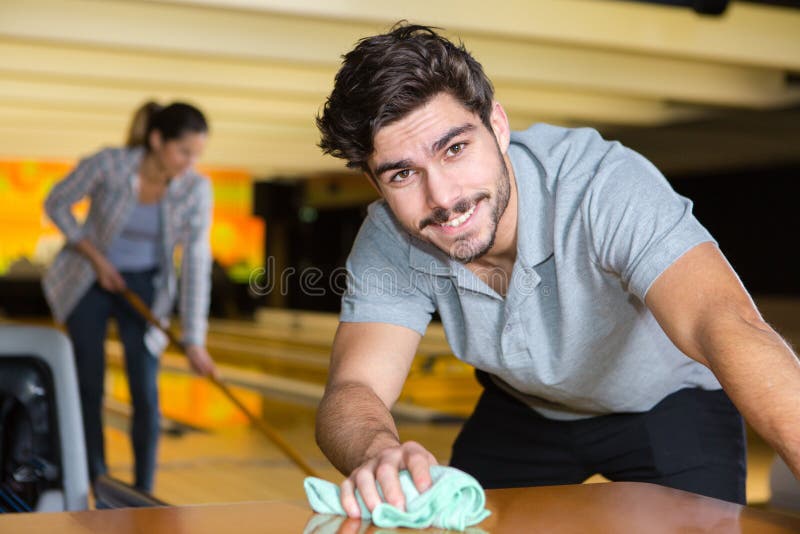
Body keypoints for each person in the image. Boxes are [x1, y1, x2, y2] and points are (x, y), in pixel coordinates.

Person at [314, 23, 800, 515]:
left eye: (455, 149)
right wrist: (377, 453)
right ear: (377, 185)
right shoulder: (389, 239)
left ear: (497, 126)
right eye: (403, 174)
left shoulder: (601, 185)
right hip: (526, 409)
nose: (442, 197)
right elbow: (356, 387)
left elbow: (725, 324)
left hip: (669, 403)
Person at [42, 101, 218, 493]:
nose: (190, 163)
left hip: (145, 285)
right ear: (157, 140)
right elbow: (55, 202)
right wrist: (94, 256)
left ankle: (143, 491)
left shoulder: (195, 188)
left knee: (145, 390)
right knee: (89, 384)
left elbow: (195, 259)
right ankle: (96, 478)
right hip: (89, 276)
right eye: (183, 152)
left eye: (197, 155)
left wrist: (194, 339)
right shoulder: (110, 164)